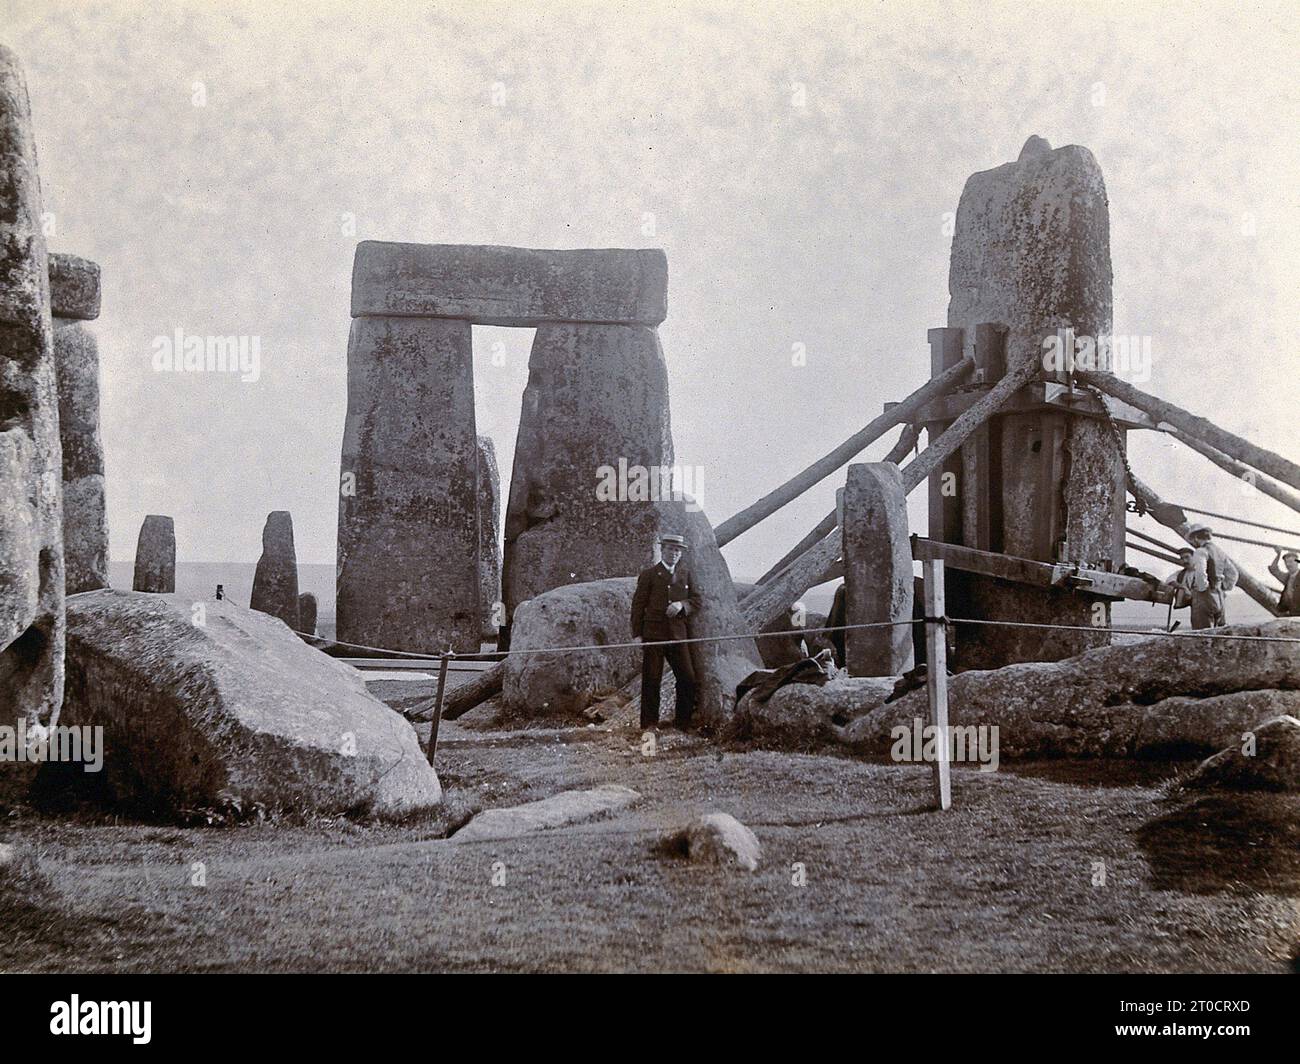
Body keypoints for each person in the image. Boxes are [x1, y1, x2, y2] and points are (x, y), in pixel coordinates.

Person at [630, 533, 700, 730]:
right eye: (670, 549)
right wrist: (637, 634)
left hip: (677, 636)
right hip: (654, 635)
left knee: (687, 678)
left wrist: (682, 605)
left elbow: (697, 601)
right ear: (662, 550)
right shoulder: (649, 574)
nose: (674, 553)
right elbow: (638, 606)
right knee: (652, 680)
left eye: (677, 550)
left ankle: (682, 724)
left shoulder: (686, 574)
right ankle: (649, 725)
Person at [1186, 524, 1238, 629]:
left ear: (1196, 537)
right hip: (1219, 596)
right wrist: (1224, 587)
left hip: (1205, 596)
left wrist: (1203, 589)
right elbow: (1233, 573)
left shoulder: (1200, 551)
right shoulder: (1220, 552)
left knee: (1201, 632)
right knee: (1219, 631)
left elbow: (1200, 572)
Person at [1269, 548, 1300, 616]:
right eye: (1286, 562)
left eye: (1291, 562)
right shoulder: (1286, 577)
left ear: (1297, 562)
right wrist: (1278, 555)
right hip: (1291, 613)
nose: (1288, 564)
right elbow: (1273, 569)